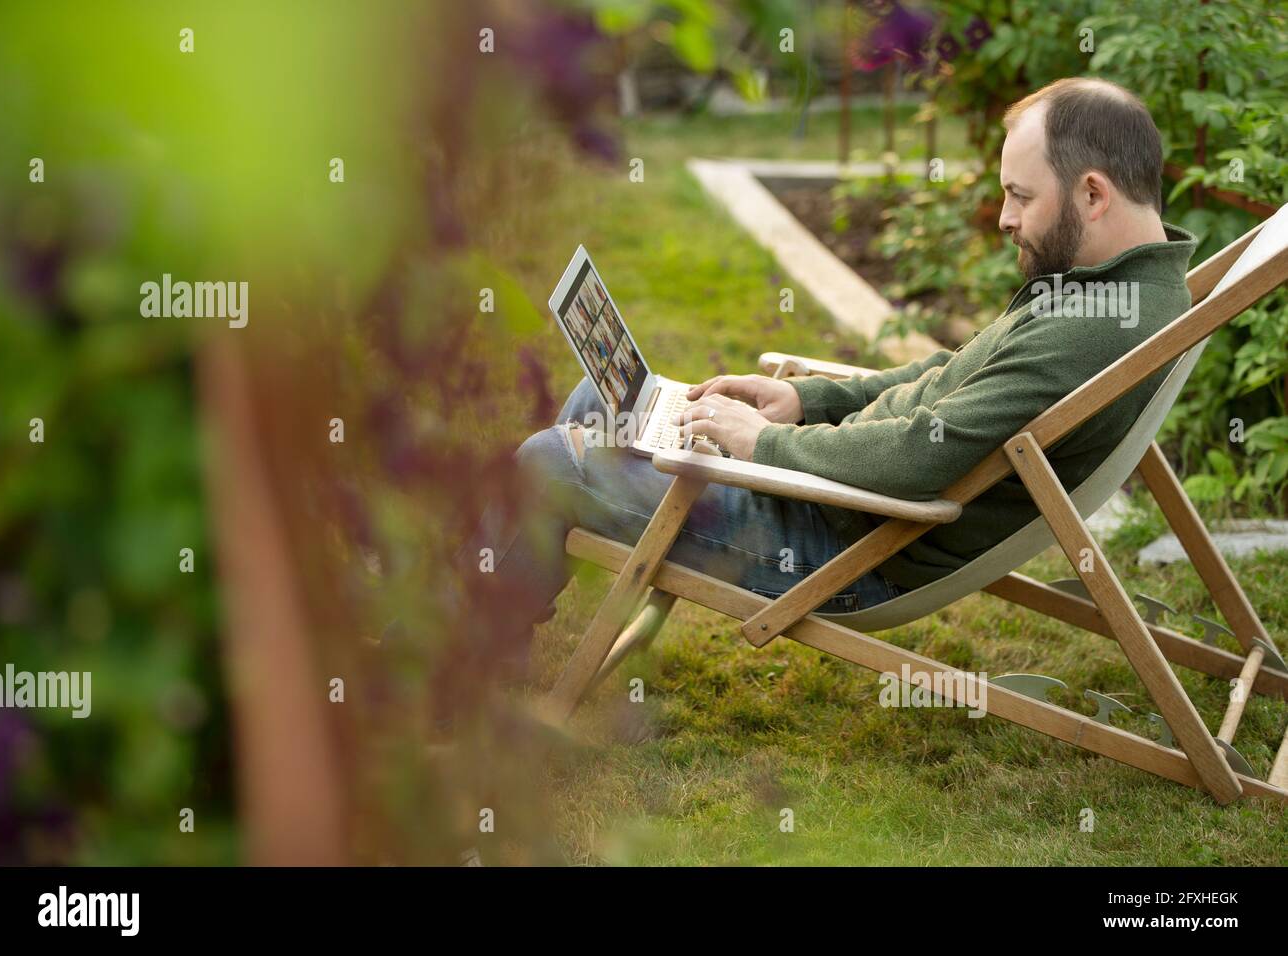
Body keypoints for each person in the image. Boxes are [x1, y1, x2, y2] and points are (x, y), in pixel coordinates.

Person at [460, 77, 1198, 685]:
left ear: (1093, 195)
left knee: (550, 461)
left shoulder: (1090, 329)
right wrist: (809, 400)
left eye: (1021, 196)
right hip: (840, 504)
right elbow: (947, 377)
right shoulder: (1115, 291)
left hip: (837, 551)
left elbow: (918, 460)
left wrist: (767, 446)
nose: (1004, 218)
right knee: (606, 401)